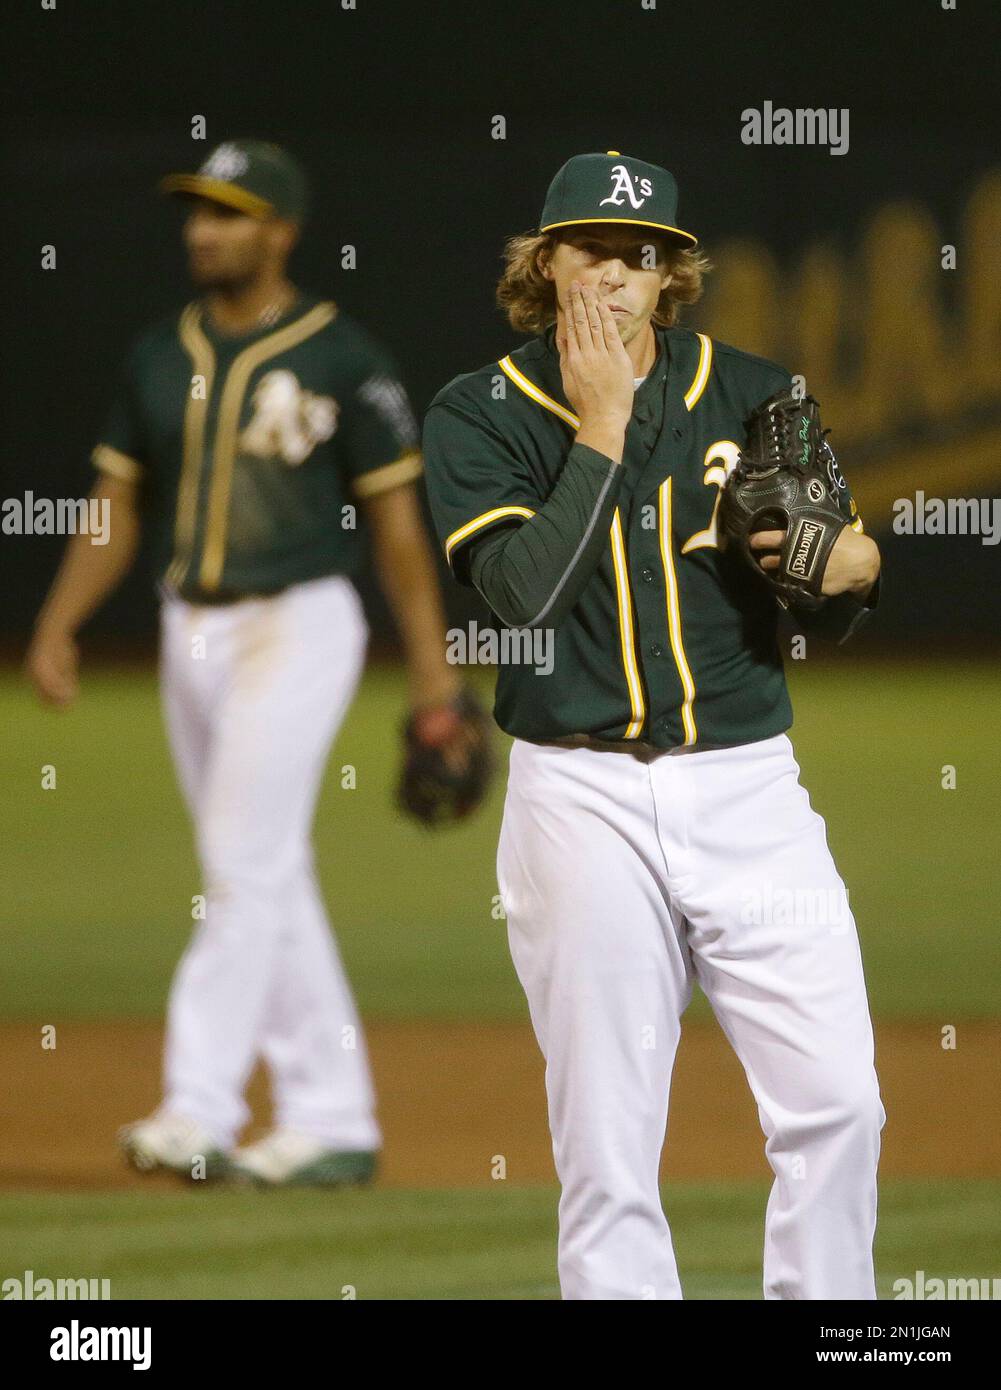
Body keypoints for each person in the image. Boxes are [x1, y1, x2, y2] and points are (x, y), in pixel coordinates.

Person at [422, 150, 886, 1298]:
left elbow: (828, 595)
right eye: (591, 250)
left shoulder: (757, 392)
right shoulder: (476, 411)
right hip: (577, 798)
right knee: (607, 1147)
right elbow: (520, 593)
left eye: (644, 255)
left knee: (839, 1103)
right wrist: (602, 427)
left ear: (674, 274)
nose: (615, 276)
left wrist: (850, 573)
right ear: (544, 263)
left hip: (746, 789)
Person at [27, 139, 468, 1188]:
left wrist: (435, 674)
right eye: (196, 212)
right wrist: (57, 622)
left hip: (300, 622)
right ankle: (331, 1117)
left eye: (228, 214)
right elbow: (115, 503)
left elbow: (398, 527)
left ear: (281, 231)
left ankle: (199, 1106)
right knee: (265, 869)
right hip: (191, 630)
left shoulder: (342, 357)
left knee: (241, 858)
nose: (202, 231)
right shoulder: (156, 352)